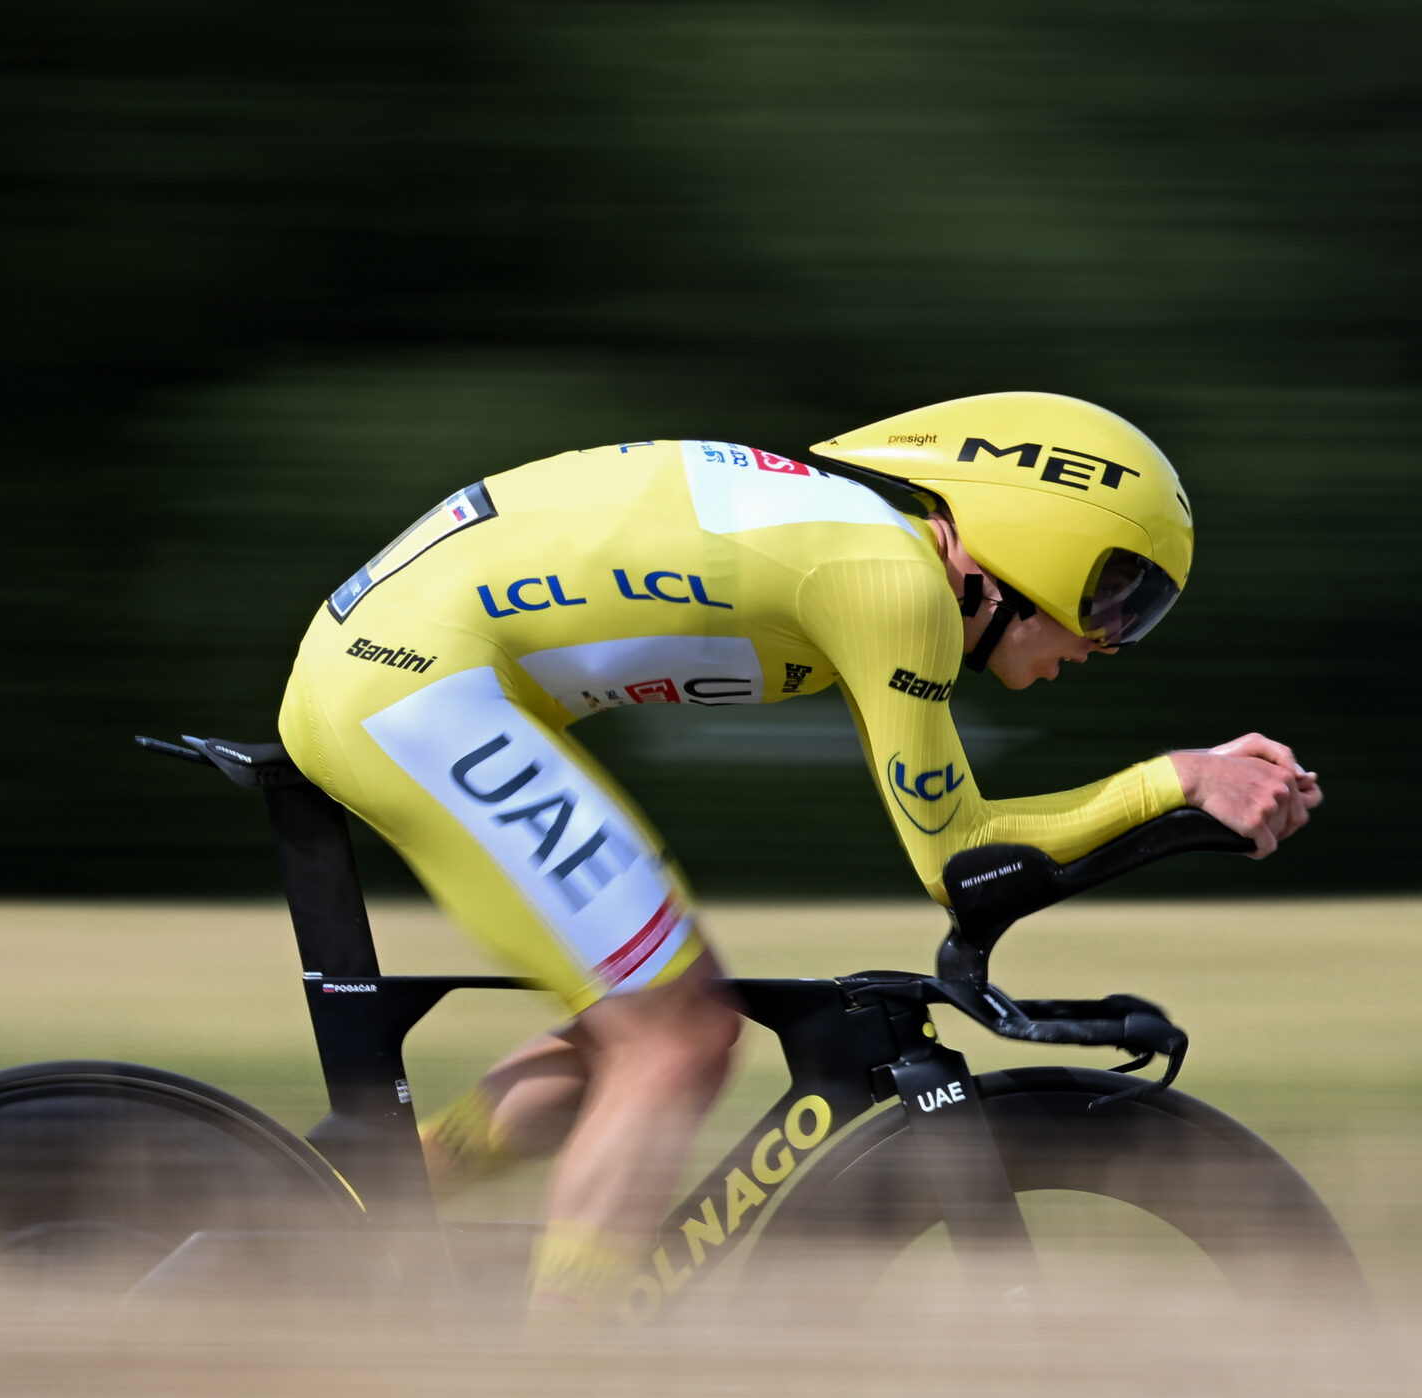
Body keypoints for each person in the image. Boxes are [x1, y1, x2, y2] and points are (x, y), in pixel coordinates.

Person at [276, 392, 1320, 1323]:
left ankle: (338, 1216)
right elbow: (955, 853)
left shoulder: (870, 555)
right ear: (1036, 541)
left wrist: (1180, 787)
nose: (1109, 642)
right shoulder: (893, 584)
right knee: (677, 1039)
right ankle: (559, 1382)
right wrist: (1176, 781)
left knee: (647, 1029)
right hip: (413, 684)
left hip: (403, 670)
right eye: (1116, 595)